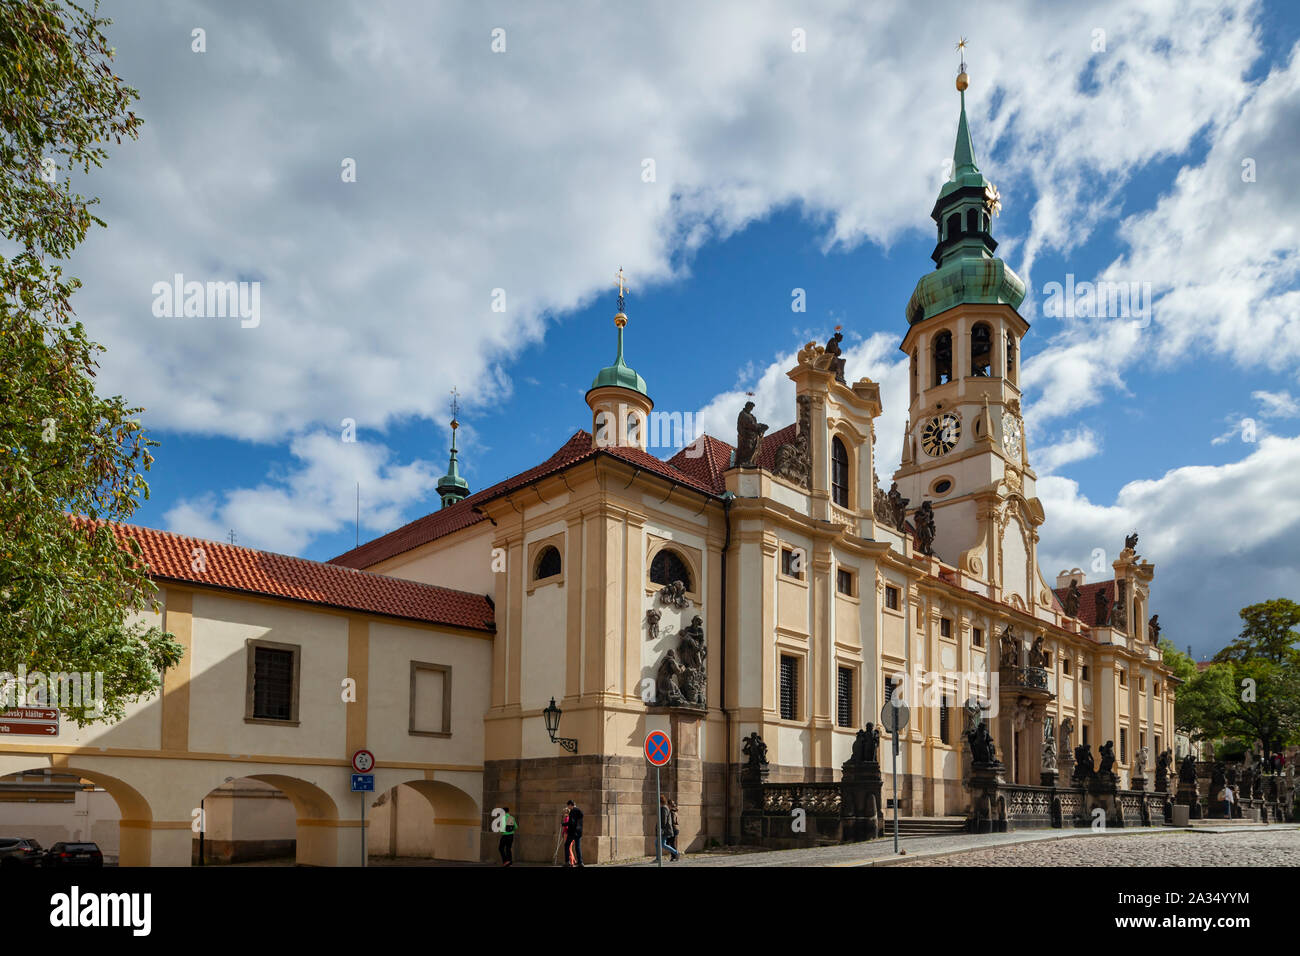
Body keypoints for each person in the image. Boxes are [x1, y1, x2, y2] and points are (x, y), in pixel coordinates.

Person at [658, 796, 679, 862]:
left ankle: (675, 855)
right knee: (669, 843)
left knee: (669, 843)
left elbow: (671, 822)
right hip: (673, 829)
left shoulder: (671, 812)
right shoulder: (673, 811)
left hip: (672, 829)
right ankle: (674, 855)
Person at [564, 800, 584, 867]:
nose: (568, 807)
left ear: (570, 805)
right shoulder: (579, 811)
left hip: (572, 832)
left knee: (566, 845)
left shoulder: (572, 811)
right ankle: (580, 862)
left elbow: (571, 823)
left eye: (568, 805)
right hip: (579, 832)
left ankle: (567, 862)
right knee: (577, 847)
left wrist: (564, 824)